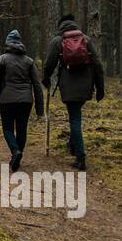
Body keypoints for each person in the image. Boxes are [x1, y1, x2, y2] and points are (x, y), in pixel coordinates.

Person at [42, 13, 105, 171]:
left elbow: (49, 63)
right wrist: (100, 88)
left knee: (75, 119)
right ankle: (72, 145)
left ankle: (80, 156)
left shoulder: (58, 41)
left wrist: (45, 78)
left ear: (61, 26)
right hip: (86, 86)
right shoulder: (86, 39)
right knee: (76, 115)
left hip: (69, 87)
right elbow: (97, 64)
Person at [0, 29, 44, 173]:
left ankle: (15, 152)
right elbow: (37, 86)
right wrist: (39, 108)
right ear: (20, 43)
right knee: (22, 129)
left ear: (7, 43)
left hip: (7, 100)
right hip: (26, 100)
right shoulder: (29, 61)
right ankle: (17, 154)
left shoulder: (1, 60)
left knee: (7, 128)